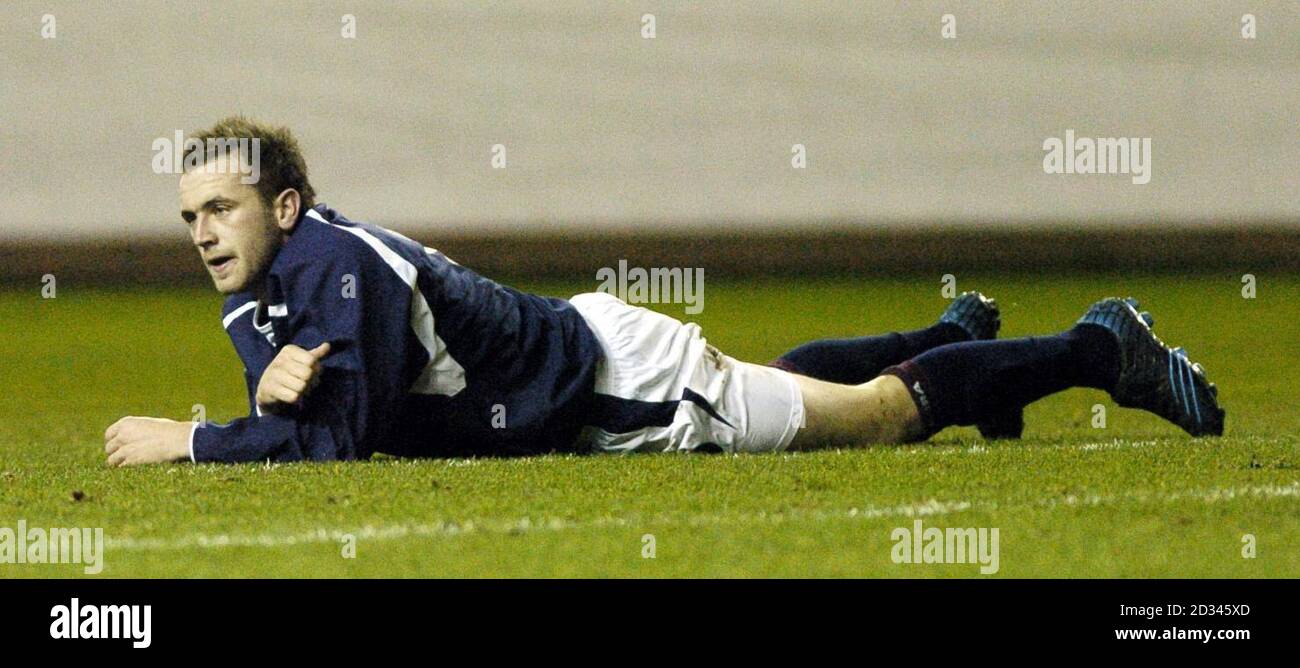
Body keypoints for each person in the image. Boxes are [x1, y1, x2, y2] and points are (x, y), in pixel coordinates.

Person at [103, 117, 1223, 466]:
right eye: (192, 214)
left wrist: (191, 441)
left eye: (223, 210)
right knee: (768, 380)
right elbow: (295, 400)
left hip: (610, 388)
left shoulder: (335, 267)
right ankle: (947, 335)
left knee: (878, 416)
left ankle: (1093, 347)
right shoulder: (256, 287)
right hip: (578, 356)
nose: (203, 231)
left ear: (285, 209)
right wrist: (281, 394)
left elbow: (341, 435)